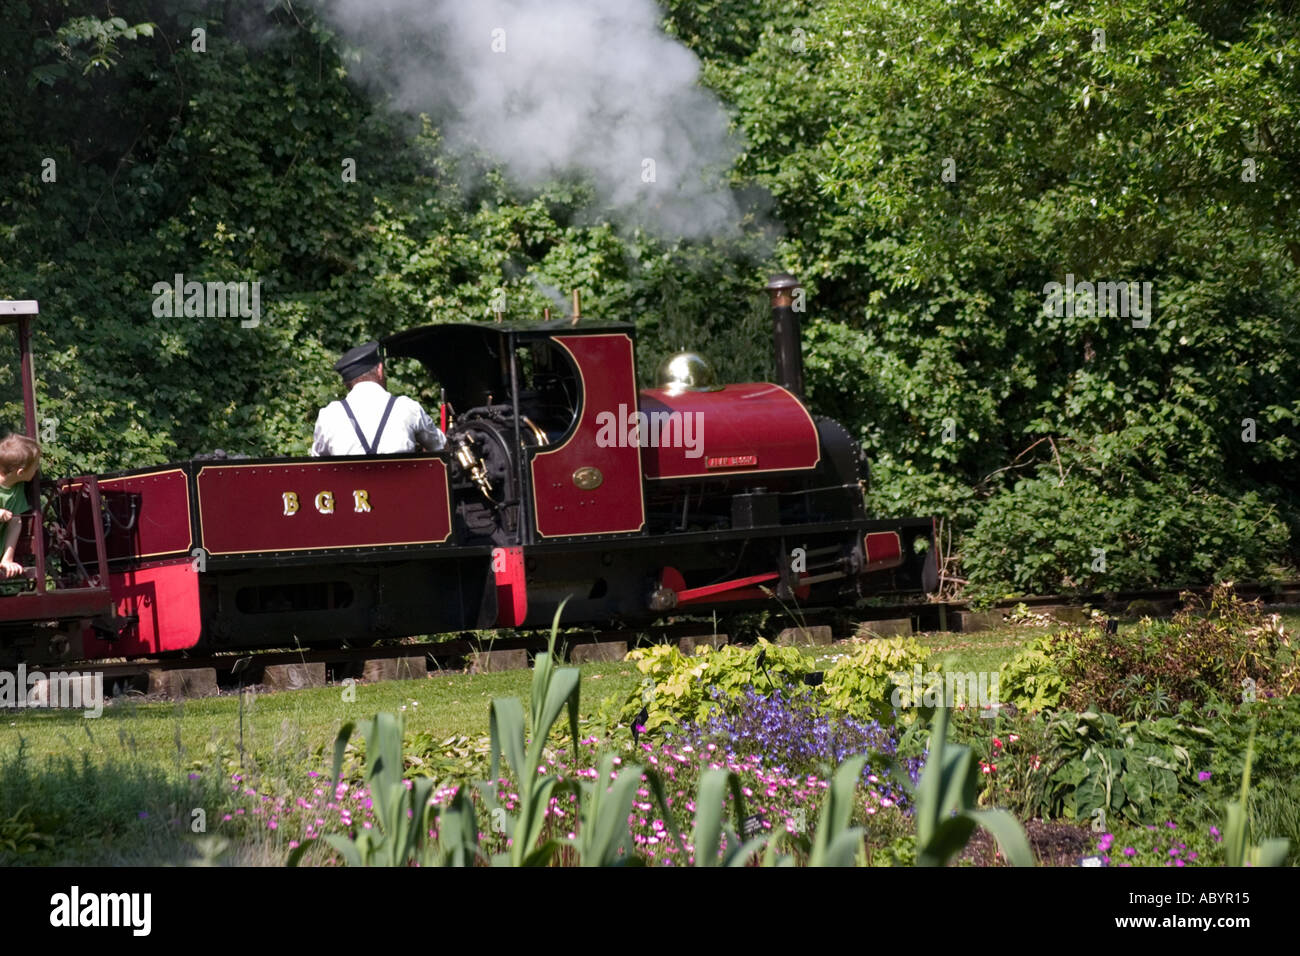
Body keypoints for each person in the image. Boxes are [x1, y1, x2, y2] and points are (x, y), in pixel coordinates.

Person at [311, 341, 446, 457]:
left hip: (349, 487)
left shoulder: (328, 415)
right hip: (400, 486)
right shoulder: (408, 408)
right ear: (380, 370)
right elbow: (439, 445)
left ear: (346, 383)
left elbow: (317, 462)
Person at [0, 433, 40, 580]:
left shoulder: (17, 489)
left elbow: (15, 522)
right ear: (21, 472)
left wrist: (7, 559)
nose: (37, 469)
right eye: (35, 466)